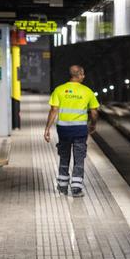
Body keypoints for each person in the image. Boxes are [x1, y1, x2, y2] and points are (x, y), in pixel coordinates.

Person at [44, 65, 99, 197]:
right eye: (83, 74)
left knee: (64, 157)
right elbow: (94, 111)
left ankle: (62, 186)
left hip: (63, 130)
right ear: (79, 74)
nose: (84, 76)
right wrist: (93, 124)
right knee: (79, 158)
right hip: (80, 130)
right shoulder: (87, 91)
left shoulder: (59, 90)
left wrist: (47, 128)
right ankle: (76, 189)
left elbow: (53, 110)